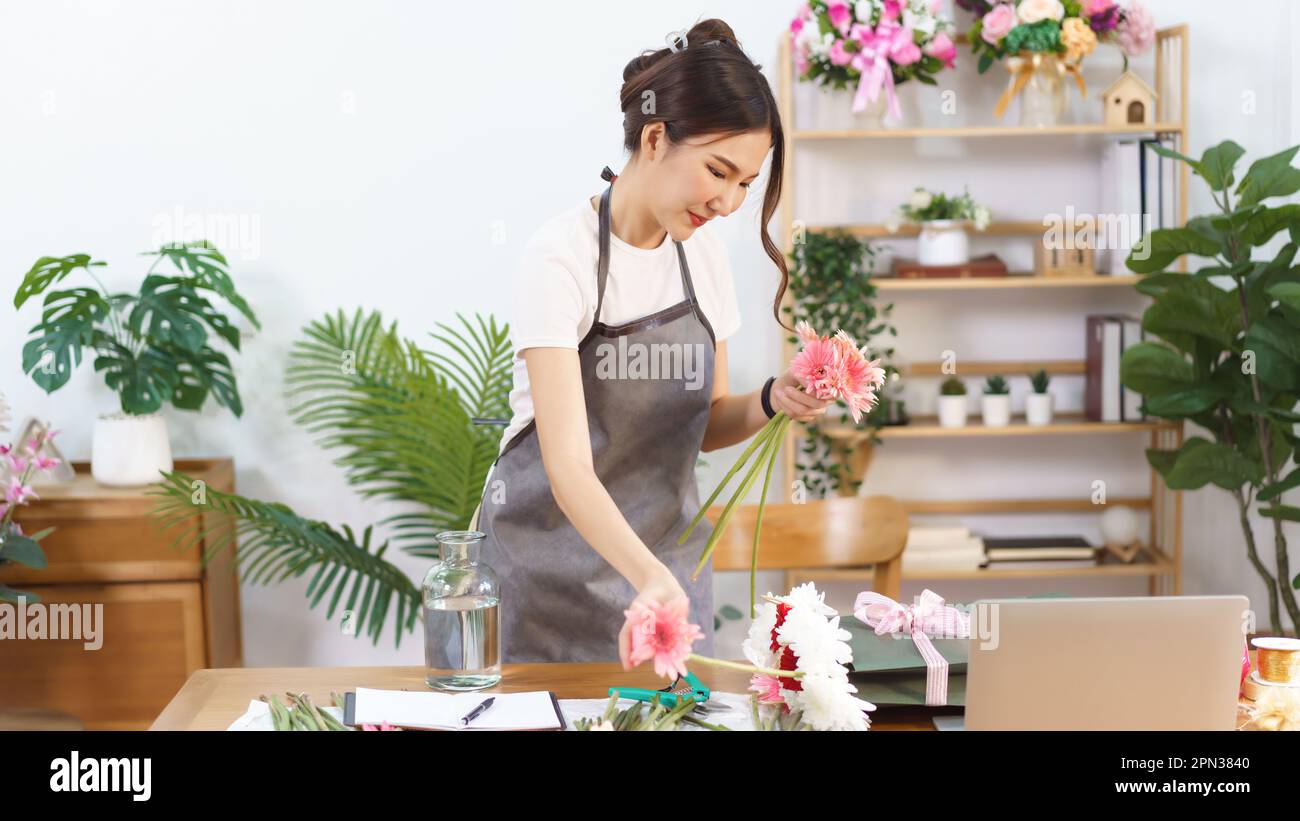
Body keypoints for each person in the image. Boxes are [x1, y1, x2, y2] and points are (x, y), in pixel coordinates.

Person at [474, 18, 829, 664]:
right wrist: (651, 576)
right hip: (548, 596)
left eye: (745, 184)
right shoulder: (560, 258)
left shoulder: (705, 259)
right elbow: (568, 467)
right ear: (656, 137)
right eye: (718, 171)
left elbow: (705, 422)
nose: (728, 202)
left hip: (666, 592)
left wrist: (772, 398)